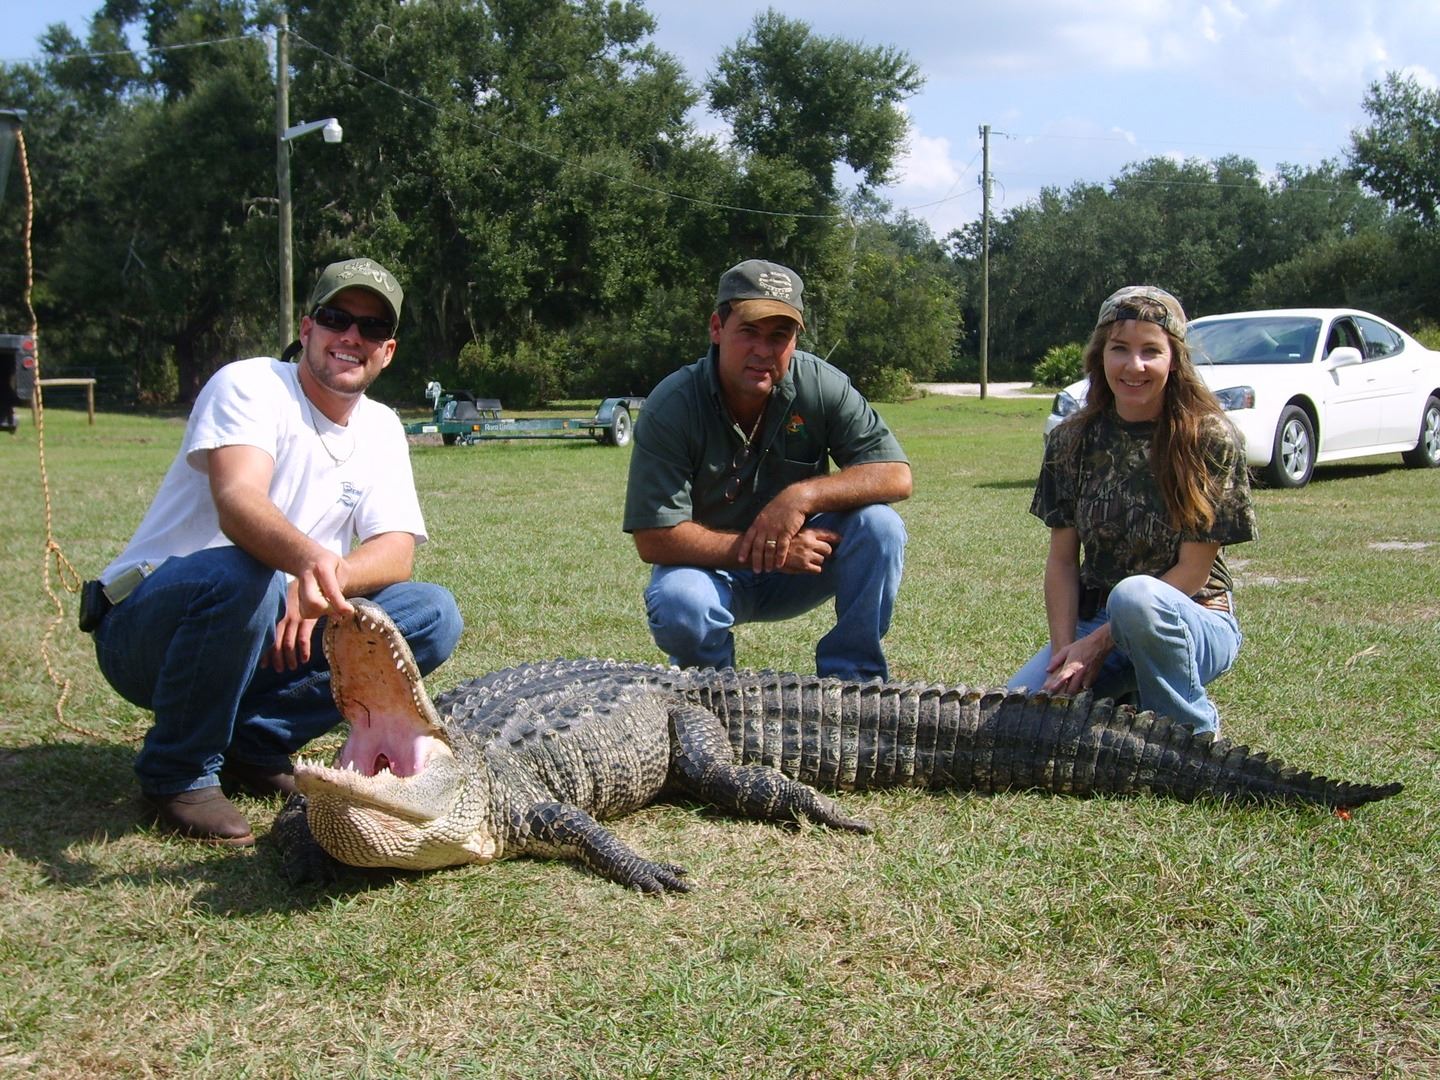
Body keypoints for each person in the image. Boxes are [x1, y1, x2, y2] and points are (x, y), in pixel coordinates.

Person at [87, 257, 463, 845]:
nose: (351, 337)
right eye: (337, 317)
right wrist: (308, 564)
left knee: (431, 614)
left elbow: (395, 552)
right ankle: (177, 772)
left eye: (369, 329)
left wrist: (319, 584)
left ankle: (256, 741)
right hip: (150, 632)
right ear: (308, 327)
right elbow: (238, 500)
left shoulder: (383, 427)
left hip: (270, 623)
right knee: (246, 572)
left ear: (386, 351)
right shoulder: (252, 384)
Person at [623, 258, 911, 681]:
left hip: (806, 563)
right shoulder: (673, 405)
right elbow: (654, 539)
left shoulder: (820, 384)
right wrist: (772, 553)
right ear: (717, 329)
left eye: (780, 335)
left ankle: (856, 684)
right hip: (714, 574)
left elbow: (896, 475)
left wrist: (801, 497)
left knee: (881, 526)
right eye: (749, 332)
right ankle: (712, 693)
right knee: (679, 601)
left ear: (795, 339)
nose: (764, 350)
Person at [1008, 285, 1256, 734]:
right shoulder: (1069, 441)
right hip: (1097, 617)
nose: (1134, 366)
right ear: (1100, 355)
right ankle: (1132, 689)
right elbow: (1062, 561)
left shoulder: (1211, 438)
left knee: (1136, 597)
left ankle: (1196, 737)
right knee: (1022, 717)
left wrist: (1099, 645)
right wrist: (1067, 653)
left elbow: (1195, 572)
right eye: (1120, 348)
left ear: (1174, 360)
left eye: (1150, 351)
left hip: (1192, 617)